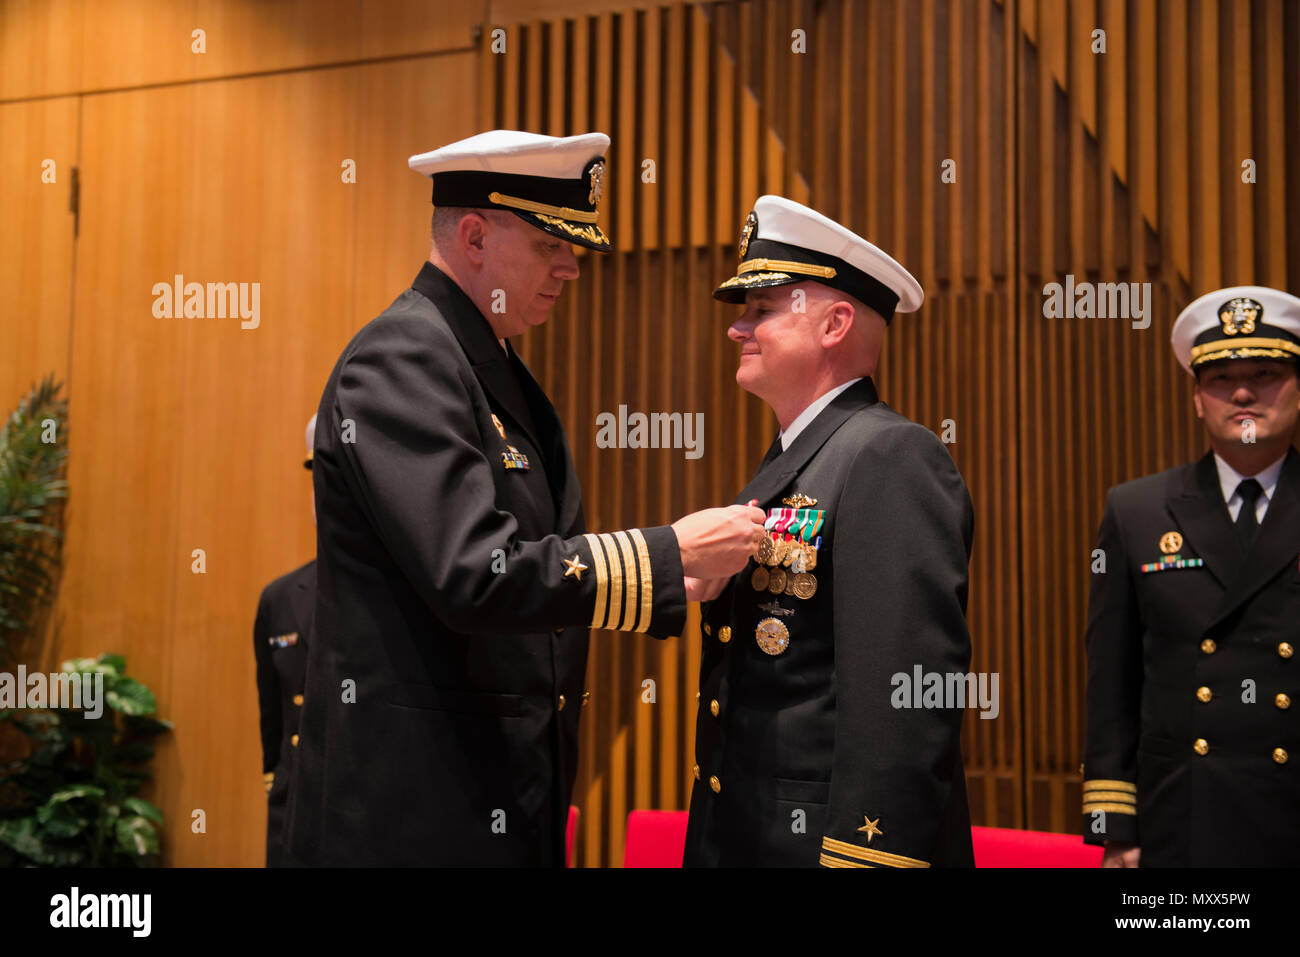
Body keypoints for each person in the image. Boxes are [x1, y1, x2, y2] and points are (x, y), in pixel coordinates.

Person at [286, 130, 763, 866]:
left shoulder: (488, 364)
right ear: (474, 235)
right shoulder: (403, 356)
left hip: (493, 803)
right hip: (415, 818)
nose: (571, 268)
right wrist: (662, 554)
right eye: (550, 244)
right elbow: (477, 572)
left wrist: (673, 574)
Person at [683, 195, 976, 868]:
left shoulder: (889, 455)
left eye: (761, 308)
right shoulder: (802, 456)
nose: (737, 328)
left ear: (835, 323)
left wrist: (866, 857)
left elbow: (901, 704)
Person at [1083, 286, 1300, 867]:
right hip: (1183, 819)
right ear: (1197, 399)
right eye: (1220, 378)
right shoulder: (1138, 511)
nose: (1244, 391)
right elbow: (1113, 684)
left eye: (1266, 373)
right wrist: (1115, 830)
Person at [251, 414, 317, 867]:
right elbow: (274, 725)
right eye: (316, 476)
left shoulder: (390, 598)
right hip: (293, 816)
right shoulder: (278, 600)